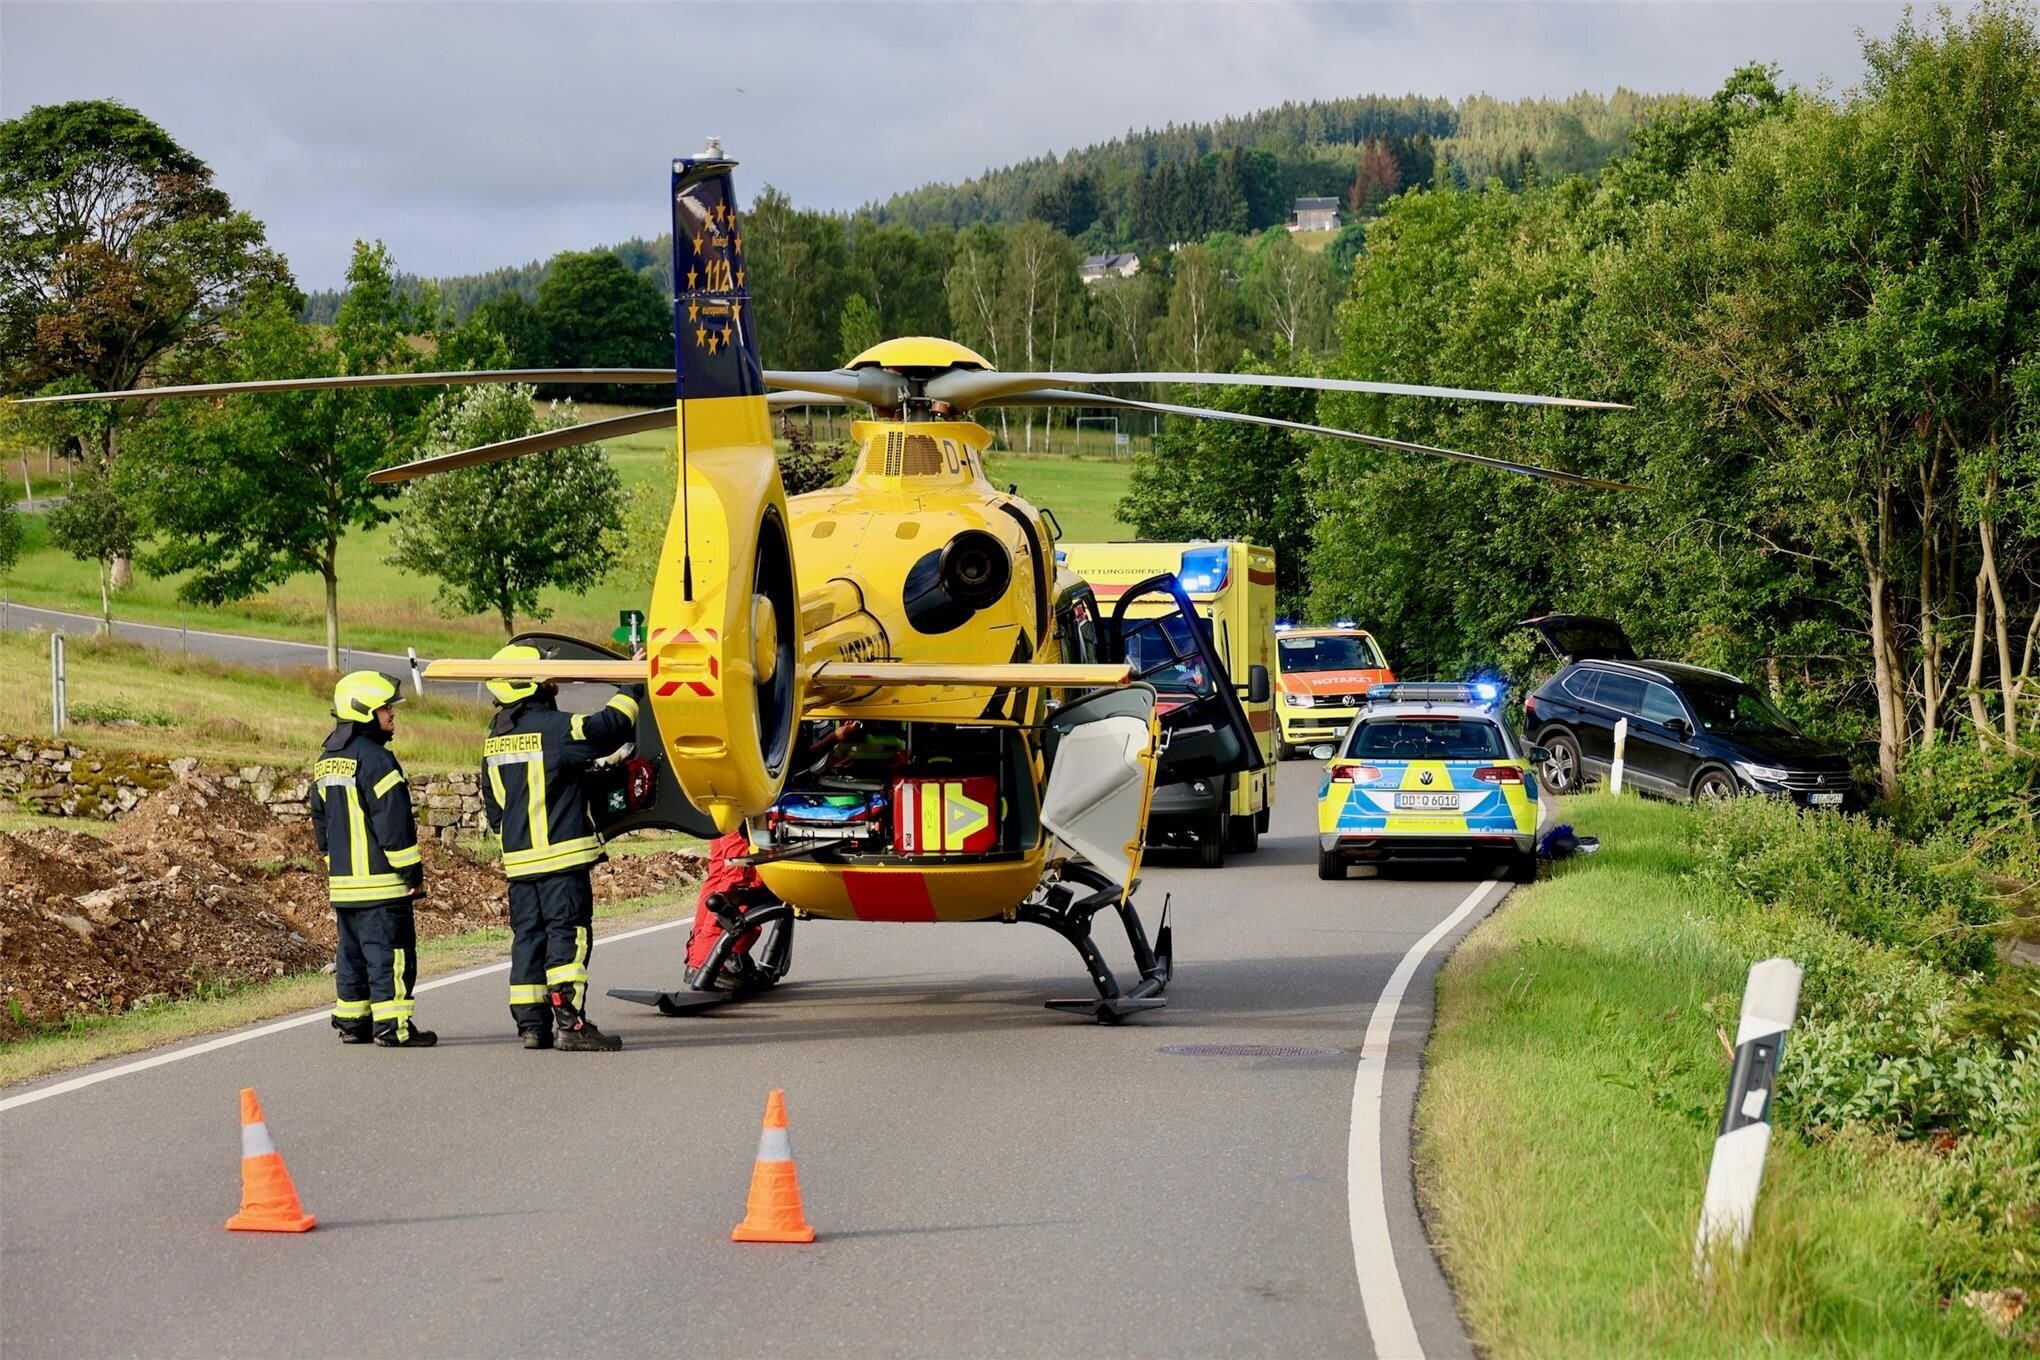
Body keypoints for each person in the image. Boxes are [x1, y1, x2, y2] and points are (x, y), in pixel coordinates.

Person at [481, 643, 641, 1052]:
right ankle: (570, 1023)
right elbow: (609, 727)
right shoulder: (553, 727)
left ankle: (533, 1026)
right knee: (567, 937)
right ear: (529, 684)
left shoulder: (495, 737)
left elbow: (494, 803)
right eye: (545, 675)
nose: (553, 680)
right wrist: (633, 684)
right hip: (561, 859)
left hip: (519, 863)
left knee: (528, 941)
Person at [313, 671, 435, 1048]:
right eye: (385, 709)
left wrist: (336, 861)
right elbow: (393, 823)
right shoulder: (377, 759)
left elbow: (320, 821)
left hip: (345, 886)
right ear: (365, 712)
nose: (392, 716)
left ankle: (353, 1023)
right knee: (390, 956)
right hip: (382, 886)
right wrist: (411, 871)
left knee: (352, 957)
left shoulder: (326, 760)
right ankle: (393, 1028)